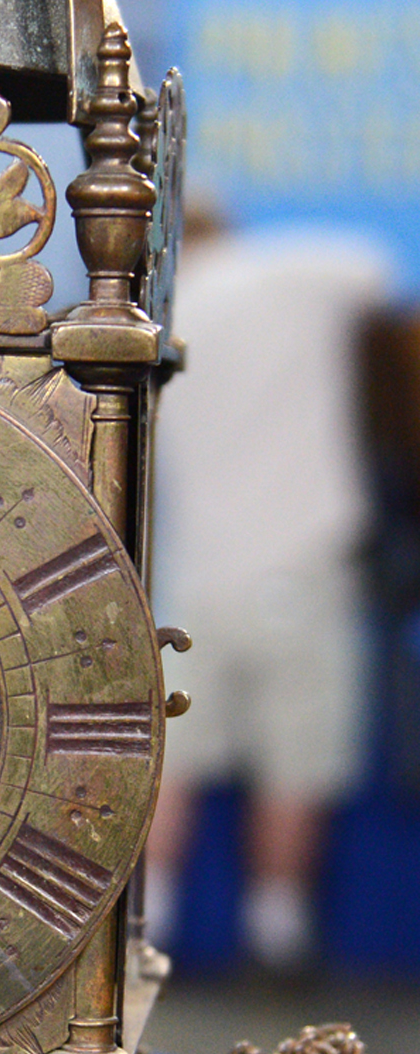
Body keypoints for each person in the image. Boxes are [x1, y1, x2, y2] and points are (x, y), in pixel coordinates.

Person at [147, 209, 391, 969]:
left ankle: (148, 927)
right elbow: (376, 271)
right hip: (302, 569)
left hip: (196, 573)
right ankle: (276, 936)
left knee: (174, 759)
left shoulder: (163, 315)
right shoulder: (296, 274)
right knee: (297, 762)